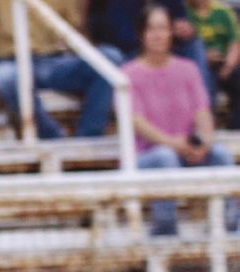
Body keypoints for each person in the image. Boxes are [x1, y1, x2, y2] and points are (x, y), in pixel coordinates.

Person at [124, 3, 240, 234]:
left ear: (171, 32)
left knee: (219, 154)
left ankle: (229, 226)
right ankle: (166, 229)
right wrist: (173, 143)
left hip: (186, 149)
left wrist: (204, 141)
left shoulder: (188, 69)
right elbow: (136, 121)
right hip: (148, 156)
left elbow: (203, 111)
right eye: (151, 29)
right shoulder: (128, 74)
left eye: (163, 28)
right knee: (166, 158)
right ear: (142, 33)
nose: (158, 35)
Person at [0, 0, 125, 140]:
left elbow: (76, 33)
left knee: (110, 57)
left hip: (52, 62)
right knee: (6, 77)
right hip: (8, 61)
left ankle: (89, 137)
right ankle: (53, 138)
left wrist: (89, 74)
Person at [94, 0, 216, 90]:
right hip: (131, 53)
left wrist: (186, 30)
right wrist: (158, 34)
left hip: (166, 49)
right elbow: (120, 36)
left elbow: (181, 20)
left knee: (194, 44)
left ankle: (203, 109)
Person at [188, 0, 240, 125]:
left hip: (227, 62)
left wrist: (228, 66)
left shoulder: (223, 12)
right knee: (205, 86)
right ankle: (208, 126)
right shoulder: (186, 14)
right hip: (200, 65)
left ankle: (235, 125)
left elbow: (235, 43)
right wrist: (203, 56)